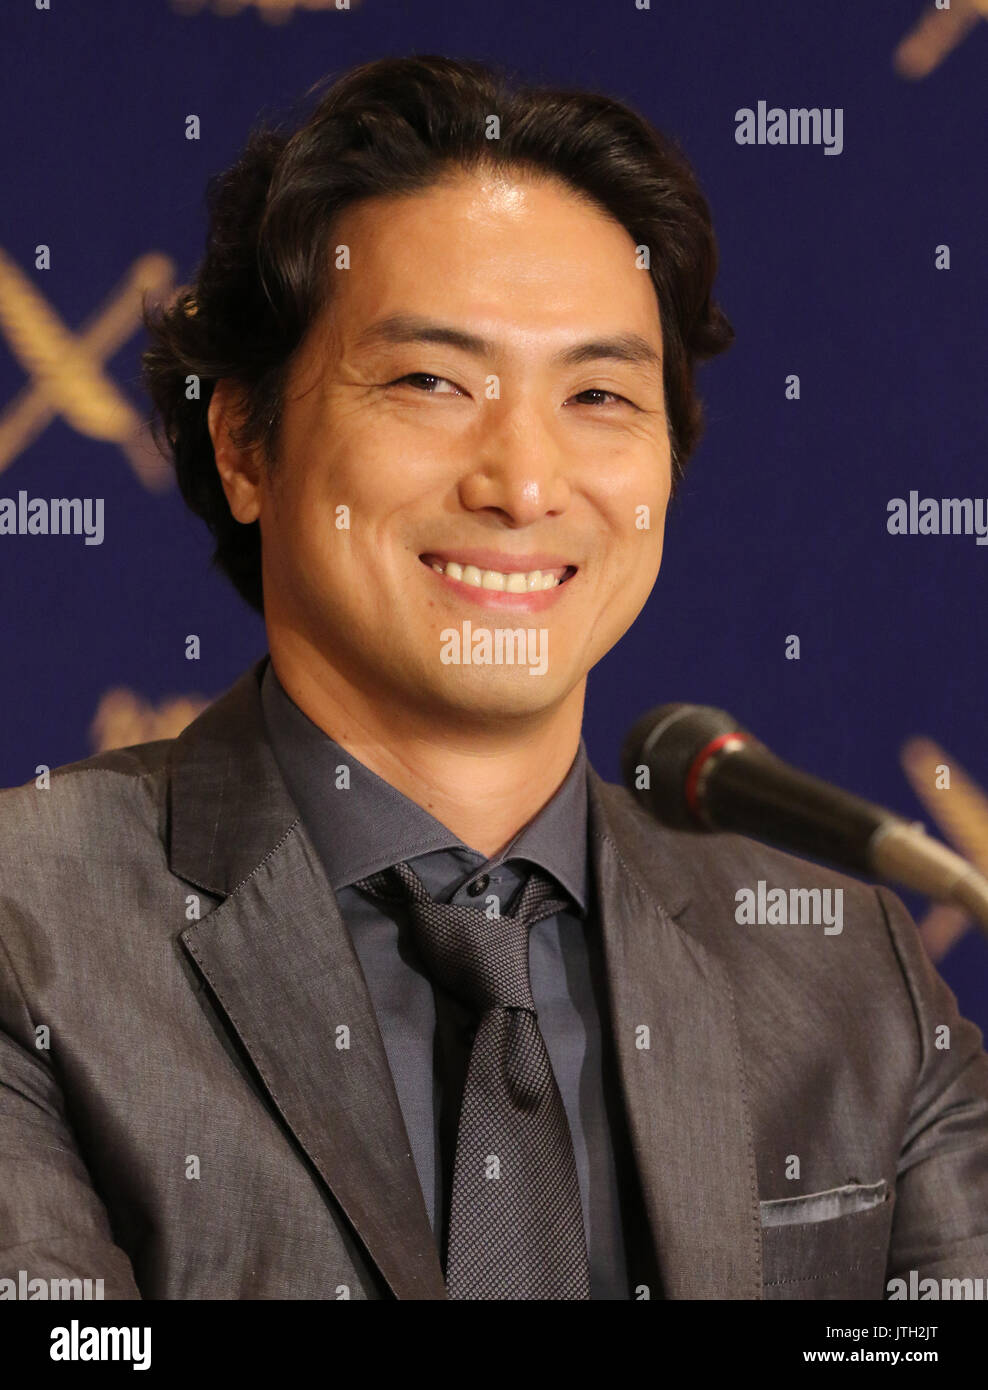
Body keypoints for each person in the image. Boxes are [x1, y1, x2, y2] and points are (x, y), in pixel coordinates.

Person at [1, 54, 986, 1301]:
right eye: (430, 382)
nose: (523, 482)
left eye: (598, 394)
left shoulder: (847, 977)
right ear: (245, 441)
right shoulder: (28, 928)